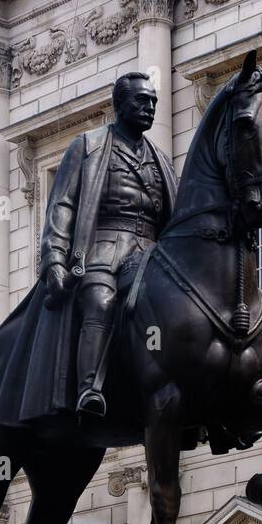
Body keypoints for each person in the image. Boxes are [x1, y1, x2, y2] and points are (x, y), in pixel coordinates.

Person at [40, 72, 178, 417]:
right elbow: (63, 205)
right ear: (119, 105)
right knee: (101, 301)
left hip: (150, 251)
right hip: (102, 247)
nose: (150, 108)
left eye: (153, 102)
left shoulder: (161, 160)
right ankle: (90, 388)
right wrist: (55, 259)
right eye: (141, 101)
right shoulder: (88, 145)